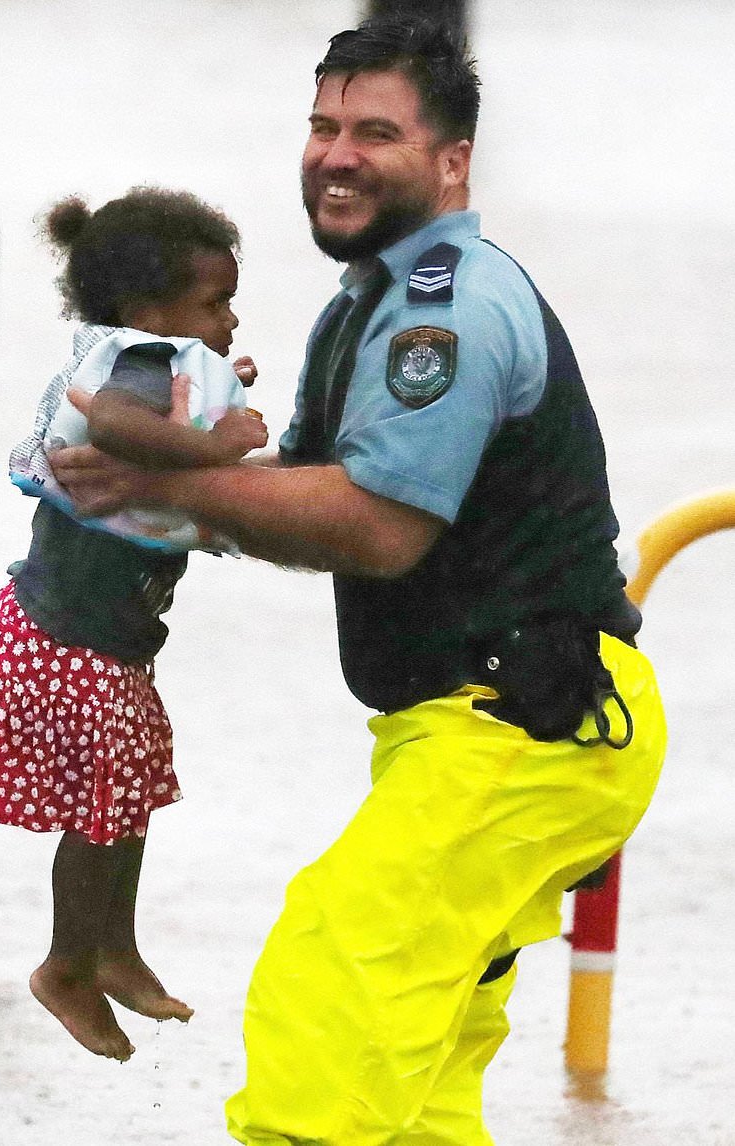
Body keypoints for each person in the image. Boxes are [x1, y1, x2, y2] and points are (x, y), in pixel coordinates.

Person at [47, 18, 665, 1142]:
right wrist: (142, 494)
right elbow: (304, 491)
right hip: (479, 731)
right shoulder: (374, 297)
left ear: (451, 161)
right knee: (417, 1092)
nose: (336, 154)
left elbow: (379, 527)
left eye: (376, 132)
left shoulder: (445, 313)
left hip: (524, 726)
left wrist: (171, 490)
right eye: (323, 126)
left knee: (328, 991)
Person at [0, 188, 264, 1063]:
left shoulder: (159, 361)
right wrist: (220, 441)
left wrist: (212, 406)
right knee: (103, 807)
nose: (231, 320)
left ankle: (110, 948)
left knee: (128, 800)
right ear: (148, 314)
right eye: (216, 304)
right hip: (64, 640)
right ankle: (66, 963)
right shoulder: (139, 365)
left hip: (96, 642)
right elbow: (123, 422)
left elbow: (158, 421)